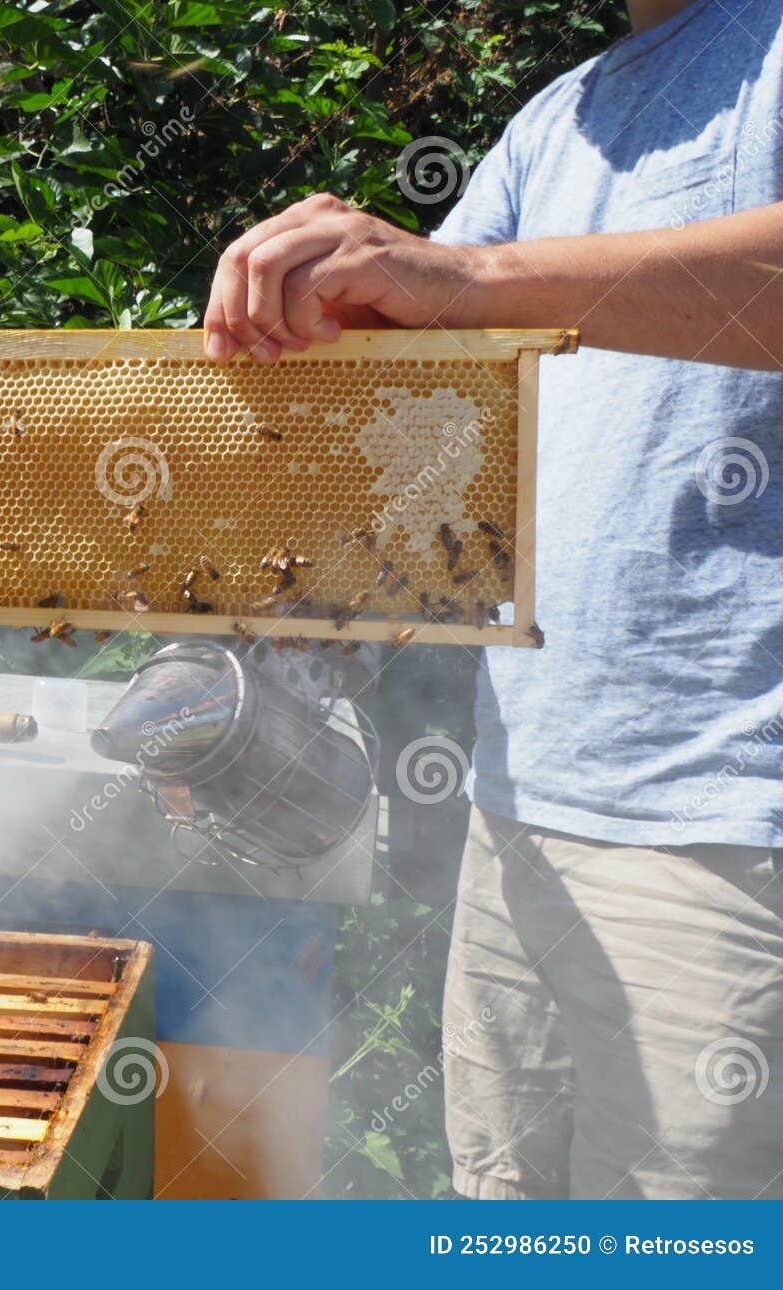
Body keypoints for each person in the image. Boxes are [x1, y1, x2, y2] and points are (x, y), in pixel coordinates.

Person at [204, 0, 783, 1198]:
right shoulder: (551, 122)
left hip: (726, 830)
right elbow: (416, 405)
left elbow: (468, 285)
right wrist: (311, 309)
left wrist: (461, 275)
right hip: (524, 805)